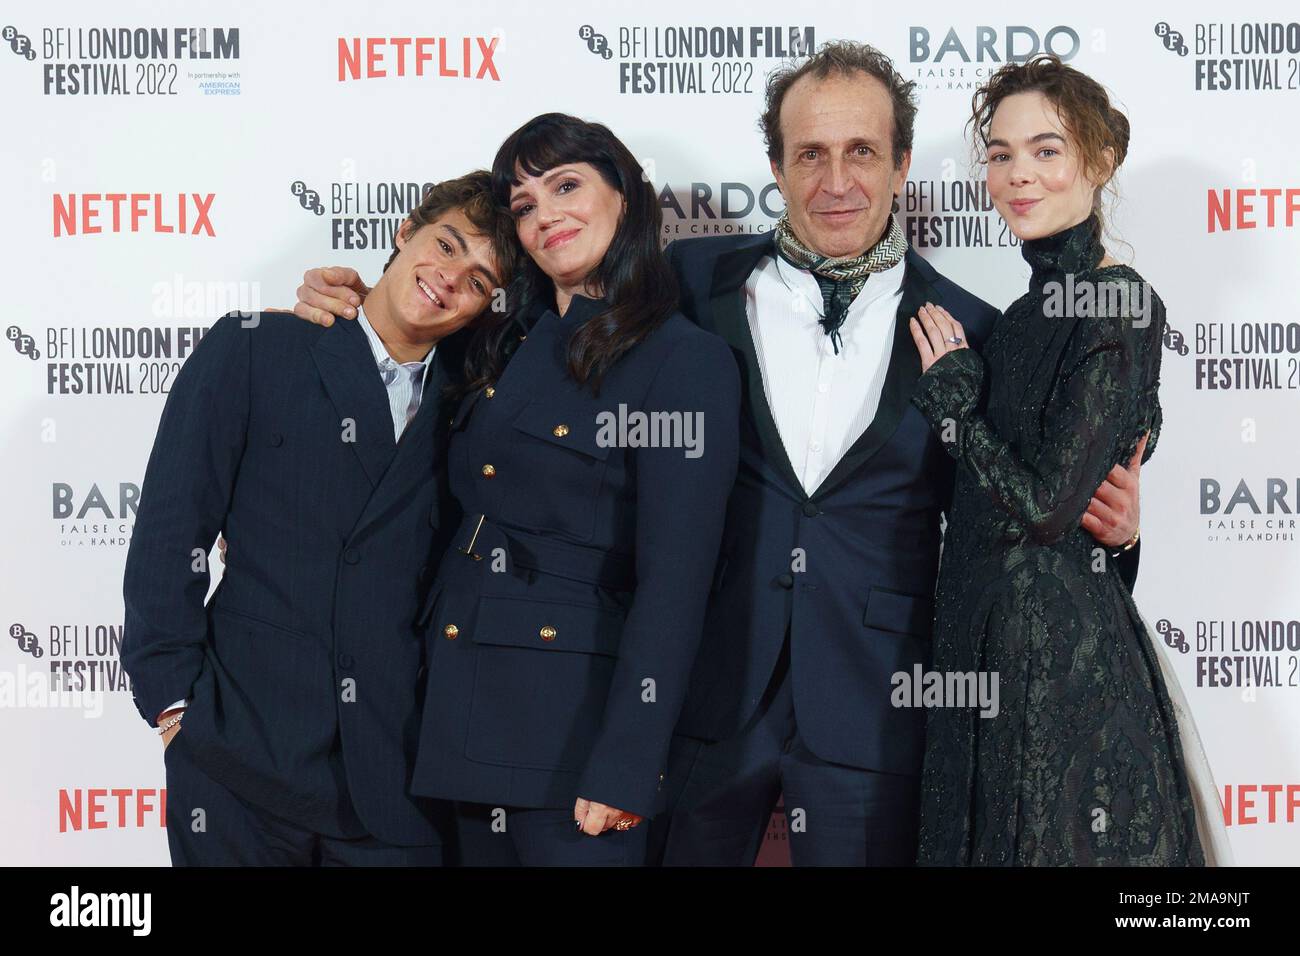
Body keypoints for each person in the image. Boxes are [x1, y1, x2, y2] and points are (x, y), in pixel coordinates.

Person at [295, 42, 1144, 867]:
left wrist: (1119, 535)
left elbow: (1019, 520)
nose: (836, 181)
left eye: (861, 152)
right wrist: (372, 316)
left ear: (902, 164)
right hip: (698, 698)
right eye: (809, 154)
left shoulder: (971, 332)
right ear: (775, 167)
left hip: (876, 705)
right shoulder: (685, 288)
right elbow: (525, 347)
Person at [121, 172, 518, 865]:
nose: (451, 277)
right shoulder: (255, 349)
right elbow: (168, 532)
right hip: (236, 760)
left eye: (480, 279)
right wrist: (172, 707)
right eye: (447, 245)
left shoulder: (477, 408)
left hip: (393, 786)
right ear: (404, 232)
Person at [907, 54, 1231, 865]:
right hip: (985, 654)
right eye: (1001, 154)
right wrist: (1120, 538)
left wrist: (957, 410)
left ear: (1100, 160)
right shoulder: (1019, 318)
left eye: (1046, 150)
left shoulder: (1118, 302)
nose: (1019, 175)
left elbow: (1049, 511)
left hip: (1057, 683)